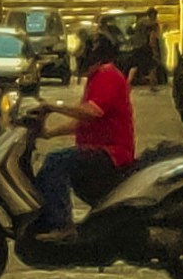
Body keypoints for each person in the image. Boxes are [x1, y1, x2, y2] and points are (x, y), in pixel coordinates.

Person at [34, 31, 137, 233]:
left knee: (55, 162)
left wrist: (54, 107)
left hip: (110, 154)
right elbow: (81, 121)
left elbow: (92, 112)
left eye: (83, 50)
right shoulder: (96, 77)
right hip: (98, 150)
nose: (79, 56)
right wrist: (48, 133)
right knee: (52, 166)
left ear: (94, 52)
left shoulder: (107, 75)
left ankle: (60, 225)